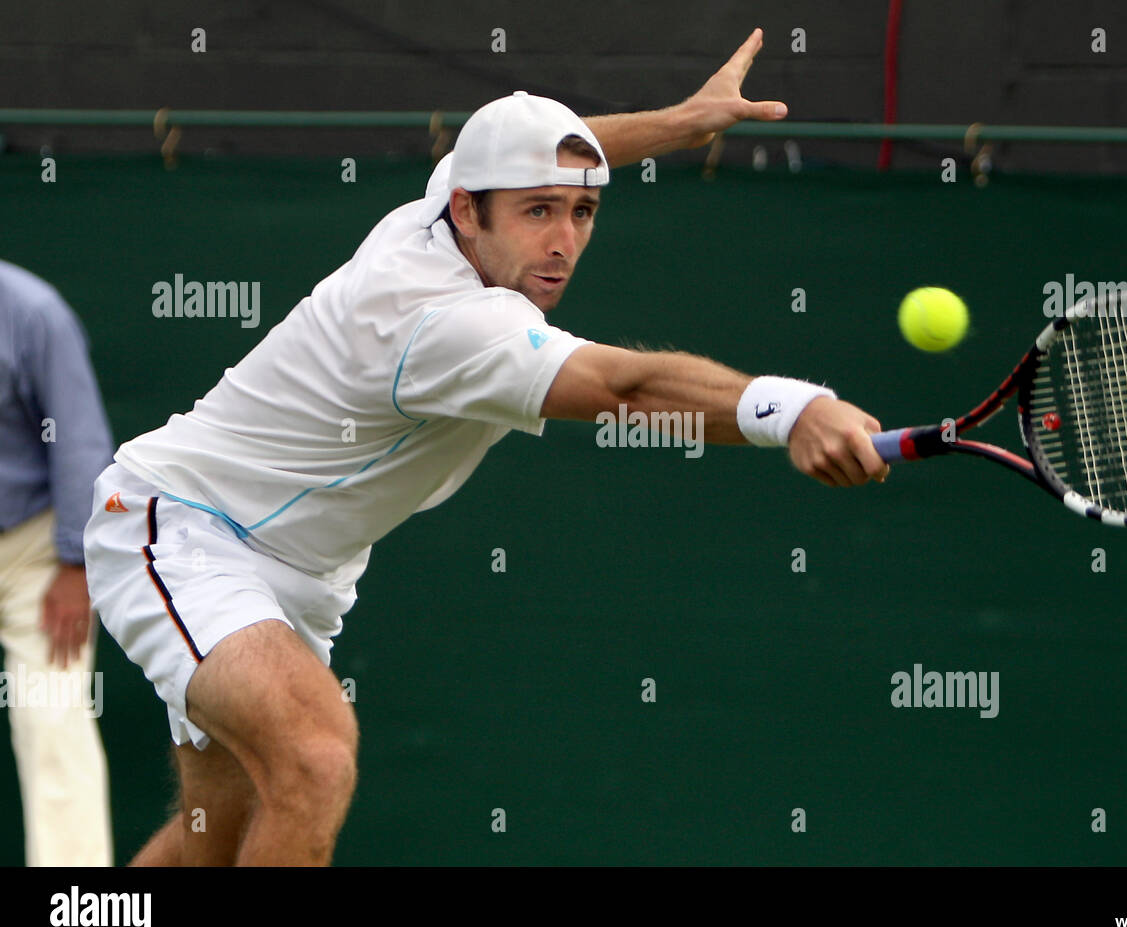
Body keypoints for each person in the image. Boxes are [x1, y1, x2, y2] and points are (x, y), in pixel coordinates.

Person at [83, 28, 888, 866]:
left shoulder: (443, 207)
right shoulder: (445, 321)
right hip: (182, 528)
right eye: (539, 212)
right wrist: (793, 408)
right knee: (316, 759)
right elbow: (626, 390)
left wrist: (682, 124)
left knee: (213, 841)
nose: (564, 240)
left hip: (301, 574)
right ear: (470, 210)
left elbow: (544, 157)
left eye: (582, 212)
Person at [0, 258, 114, 866]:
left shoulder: (32, 311)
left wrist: (75, 566)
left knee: (52, 722)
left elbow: (79, 437)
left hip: (33, 550)